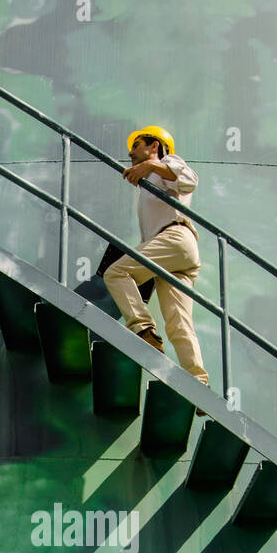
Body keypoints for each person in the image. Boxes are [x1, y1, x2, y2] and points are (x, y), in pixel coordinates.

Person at [103, 126, 209, 393]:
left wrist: (150, 165)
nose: (130, 152)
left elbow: (189, 179)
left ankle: (143, 329)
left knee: (116, 274)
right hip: (174, 252)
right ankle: (198, 384)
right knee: (178, 321)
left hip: (175, 238)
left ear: (154, 146)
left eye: (136, 144)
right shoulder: (149, 182)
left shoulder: (167, 161)